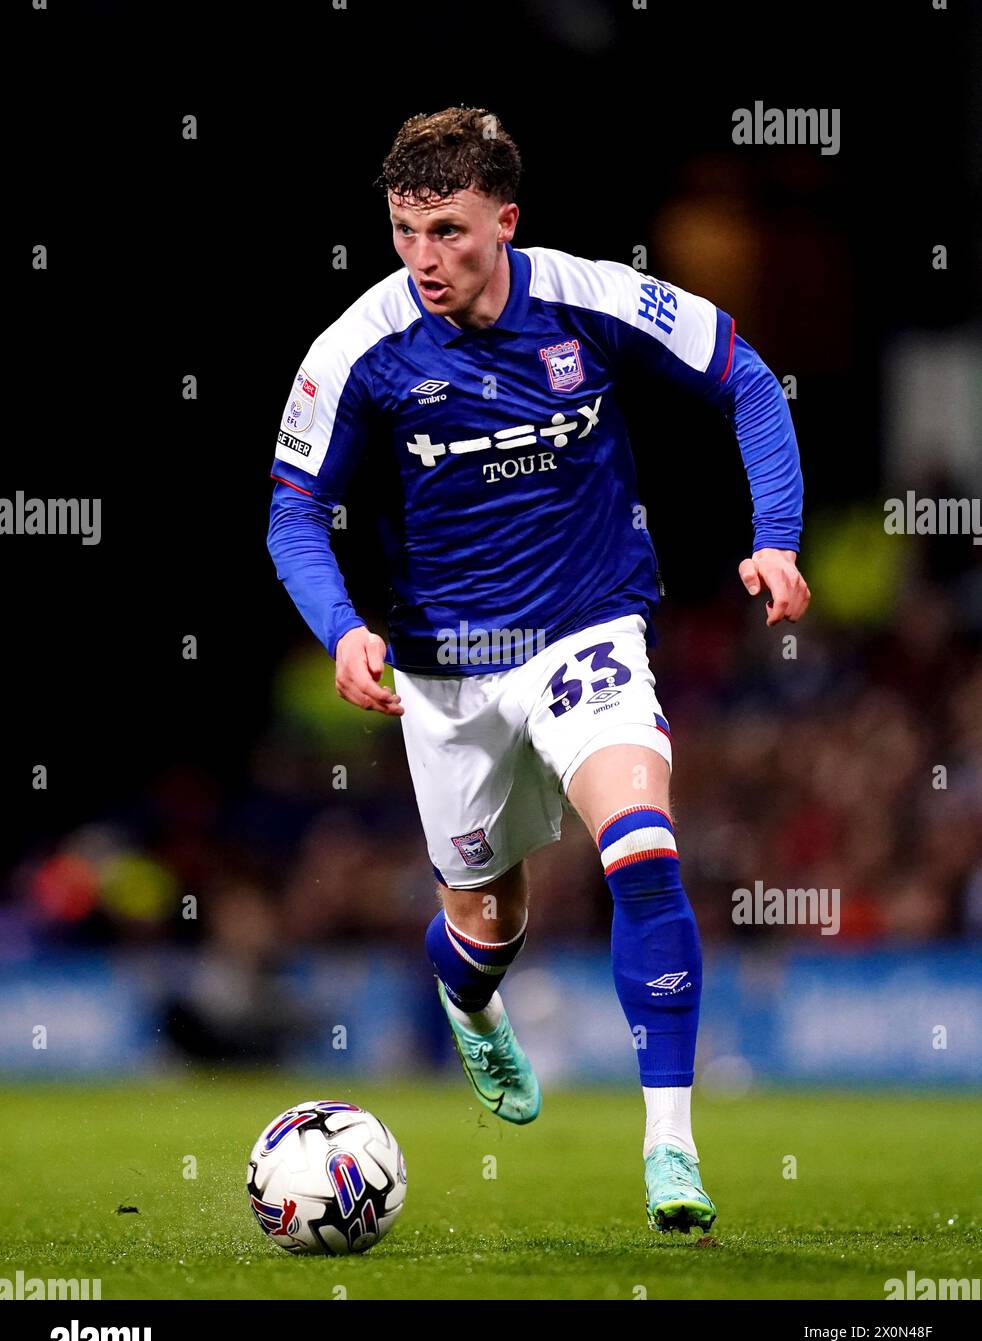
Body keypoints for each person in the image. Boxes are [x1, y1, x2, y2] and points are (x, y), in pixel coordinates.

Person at [266, 106, 810, 1234]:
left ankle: (670, 1148)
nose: (424, 258)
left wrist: (777, 533)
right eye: (404, 231)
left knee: (641, 847)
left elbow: (747, 378)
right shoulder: (353, 350)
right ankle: (469, 1000)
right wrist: (343, 627)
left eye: (449, 231)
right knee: (488, 923)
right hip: (447, 672)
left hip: (584, 629)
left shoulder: (591, 299)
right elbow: (292, 513)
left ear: (503, 221)